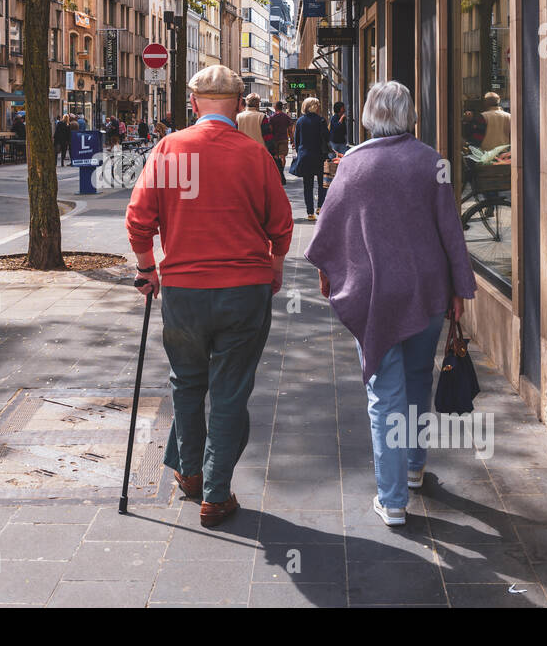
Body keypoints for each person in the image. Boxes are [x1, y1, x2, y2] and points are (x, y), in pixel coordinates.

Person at [126, 65, 293, 529]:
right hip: (244, 289)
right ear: (239, 106)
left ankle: (191, 473)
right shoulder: (255, 155)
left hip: (184, 290)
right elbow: (281, 225)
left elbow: (139, 222)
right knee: (230, 390)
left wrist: (147, 269)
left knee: (186, 380)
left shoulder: (168, 150)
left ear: (194, 103)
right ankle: (216, 495)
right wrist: (275, 269)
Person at [304, 81, 476, 527]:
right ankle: (415, 467)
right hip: (427, 292)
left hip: (374, 293)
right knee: (418, 380)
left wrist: (329, 273)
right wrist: (461, 290)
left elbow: (327, 229)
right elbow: (450, 231)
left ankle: (393, 498)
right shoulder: (432, 162)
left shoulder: (353, 164)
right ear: (410, 115)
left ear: (368, 115)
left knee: (385, 394)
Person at [293, 96, 330, 220]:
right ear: (316, 107)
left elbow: (296, 140)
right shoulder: (321, 120)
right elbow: (326, 138)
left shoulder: (300, 121)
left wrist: (300, 151)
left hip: (305, 156)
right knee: (322, 183)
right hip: (320, 155)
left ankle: (310, 213)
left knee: (307, 185)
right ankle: (320, 207)